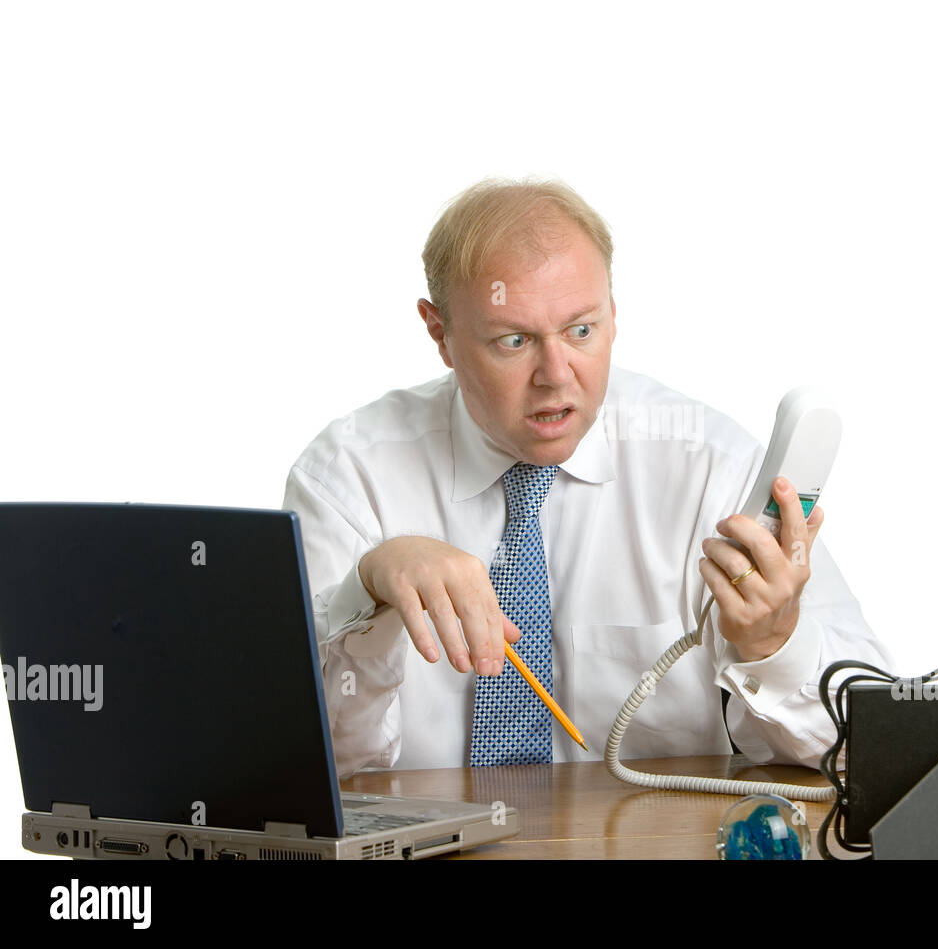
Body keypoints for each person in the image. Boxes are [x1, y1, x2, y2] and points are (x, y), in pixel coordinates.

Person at [282, 178, 890, 779]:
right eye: (513, 340)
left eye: (580, 331)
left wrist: (774, 645)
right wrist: (368, 594)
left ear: (613, 315)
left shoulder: (709, 467)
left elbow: (876, 744)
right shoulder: (349, 476)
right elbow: (291, 768)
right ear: (439, 332)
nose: (555, 375)